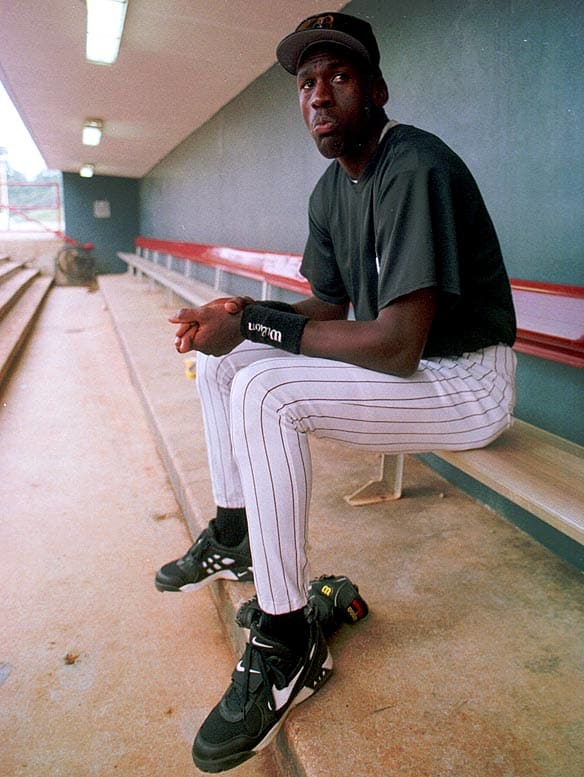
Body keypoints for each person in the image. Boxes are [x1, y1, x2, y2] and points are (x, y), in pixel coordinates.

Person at [156, 11, 517, 773]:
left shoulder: (412, 166)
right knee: (228, 363)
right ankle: (234, 534)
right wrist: (236, 319)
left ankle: (287, 642)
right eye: (306, 82)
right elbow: (328, 305)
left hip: (467, 379)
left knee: (265, 389)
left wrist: (257, 323)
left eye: (339, 77)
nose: (319, 94)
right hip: (417, 371)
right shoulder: (332, 189)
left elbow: (394, 343)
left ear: (377, 90)